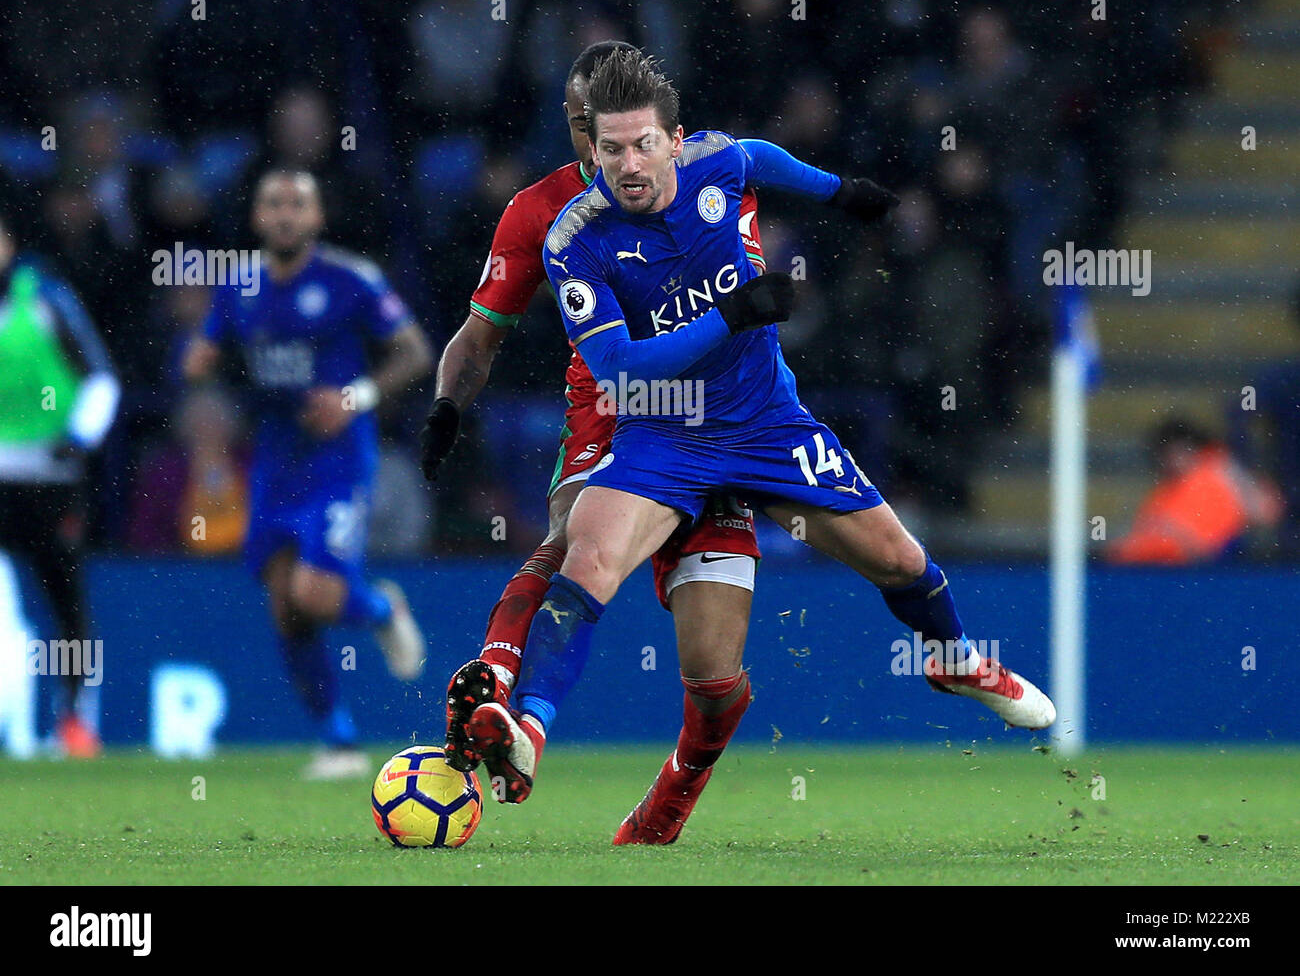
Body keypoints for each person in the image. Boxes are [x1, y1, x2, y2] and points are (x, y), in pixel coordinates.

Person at [461, 49, 1056, 825]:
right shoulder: (578, 236)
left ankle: (956, 660)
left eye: (643, 144)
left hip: (765, 423)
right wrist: (732, 314)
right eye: (611, 150)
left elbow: (761, 158)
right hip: (664, 432)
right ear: (594, 150)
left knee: (902, 560)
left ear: (676, 140)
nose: (628, 164)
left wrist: (841, 191)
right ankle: (530, 726)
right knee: (590, 553)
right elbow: (617, 367)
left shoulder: (716, 162)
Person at [421, 41, 771, 844]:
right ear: (574, 124)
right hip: (615, 406)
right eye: (586, 127)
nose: (600, 143)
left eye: (617, 129)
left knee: (716, 677)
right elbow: (479, 337)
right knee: (574, 533)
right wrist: (445, 408)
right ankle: (500, 686)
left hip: (712, 417)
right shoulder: (541, 212)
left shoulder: (711, 174)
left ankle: (669, 802)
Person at [183, 170, 432, 779]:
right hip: (273, 459)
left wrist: (357, 396)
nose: (286, 214)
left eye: (298, 204)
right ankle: (340, 742)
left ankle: (380, 610)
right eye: (274, 204)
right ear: (257, 218)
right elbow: (206, 354)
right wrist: (199, 363)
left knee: (314, 592)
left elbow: (416, 352)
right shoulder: (238, 289)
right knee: (285, 608)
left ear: (318, 218)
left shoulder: (351, 280)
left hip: (339, 458)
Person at [0, 213, 120, 756]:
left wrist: (79, 437)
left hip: (50, 479)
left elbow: (100, 376)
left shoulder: (44, 296)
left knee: (66, 603)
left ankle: (75, 721)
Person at [1106, 417, 1282, 565]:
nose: (1172, 460)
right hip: (1165, 565)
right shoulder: (1168, 489)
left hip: (1216, 567)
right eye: (1166, 455)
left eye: (1176, 452)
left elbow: (1266, 511)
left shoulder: (1220, 469)